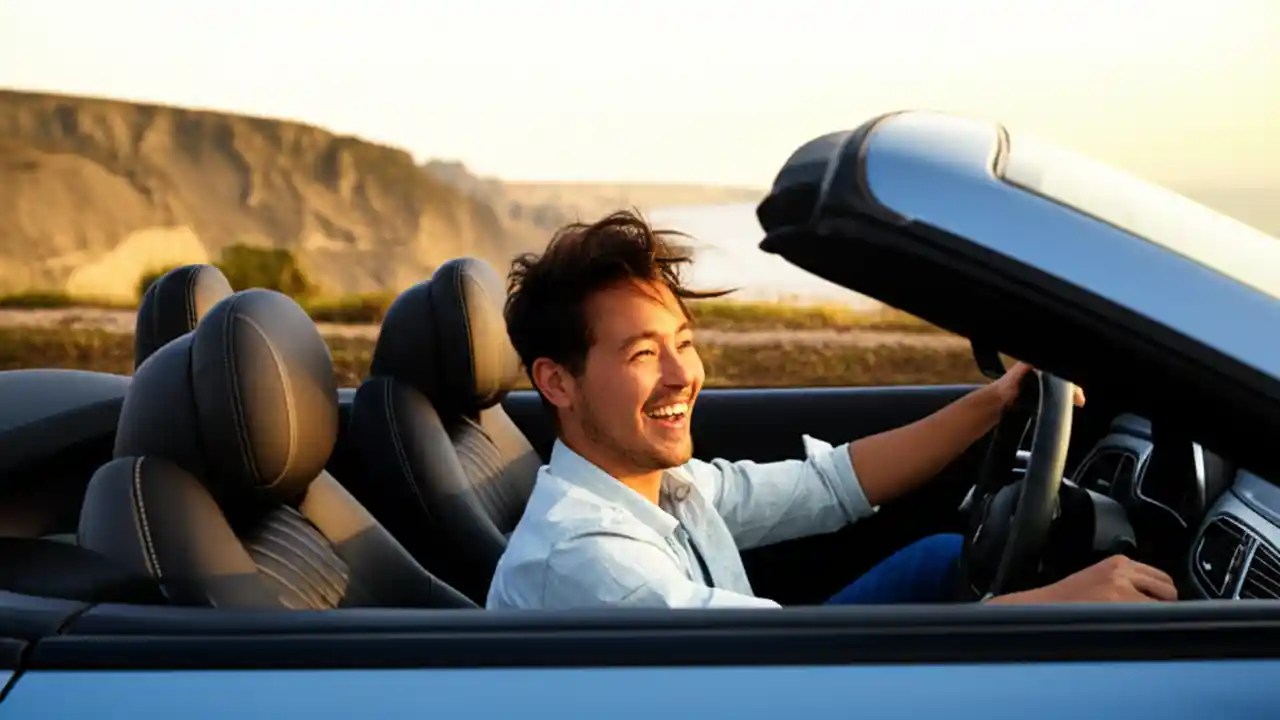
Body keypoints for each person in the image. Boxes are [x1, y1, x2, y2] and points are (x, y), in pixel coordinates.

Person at [486, 210, 1179, 609]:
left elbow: (829, 485)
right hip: (763, 682)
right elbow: (789, 661)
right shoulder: (584, 559)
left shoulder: (658, 485)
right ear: (558, 383)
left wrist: (993, 404)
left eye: (684, 343)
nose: (682, 377)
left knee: (943, 558)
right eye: (643, 355)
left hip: (751, 678)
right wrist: (1058, 609)